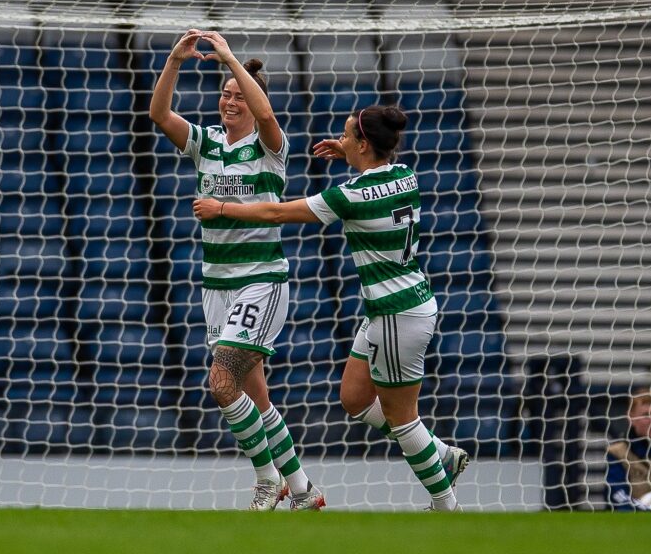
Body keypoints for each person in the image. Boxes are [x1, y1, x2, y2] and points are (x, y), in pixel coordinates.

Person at [194, 105, 467, 511]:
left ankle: (446, 505)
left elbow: (277, 211)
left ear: (364, 143)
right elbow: (374, 178)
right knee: (354, 398)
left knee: (402, 418)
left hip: (396, 313)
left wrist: (222, 208)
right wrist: (349, 154)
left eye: (345, 136)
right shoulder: (405, 174)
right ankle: (439, 452)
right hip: (398, 305)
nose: (338, 141)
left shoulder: (349, 196)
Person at [150, 29, 323, 511]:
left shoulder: (270, 146)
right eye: (225, 94)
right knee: (257, 398)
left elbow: (265, 114)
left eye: (237, 95)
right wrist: (175, 60)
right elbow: (159, 114)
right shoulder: (206, 143)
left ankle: (267, 480)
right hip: (216, 285)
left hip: (260, 281)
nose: (229, 101)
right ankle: (304, 490)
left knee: (221, 383)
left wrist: (228, 58)